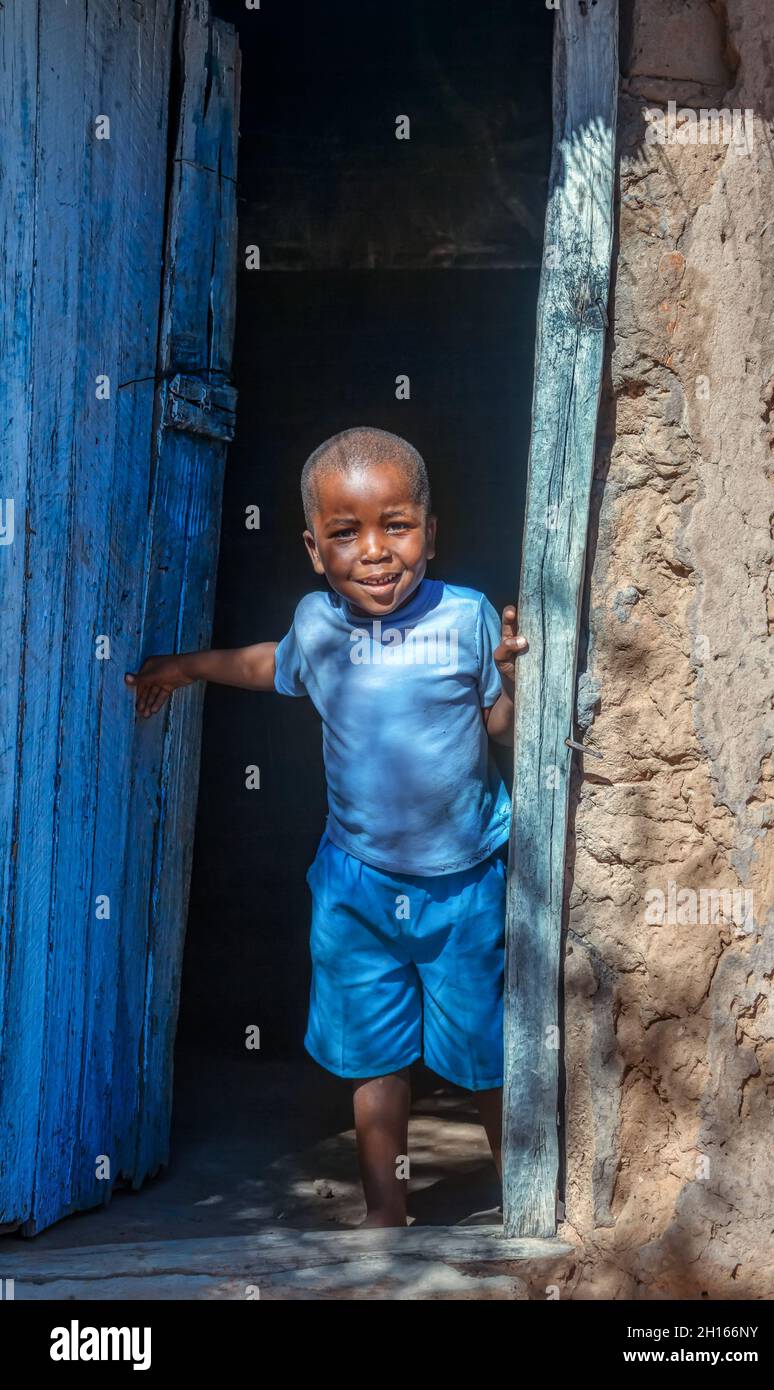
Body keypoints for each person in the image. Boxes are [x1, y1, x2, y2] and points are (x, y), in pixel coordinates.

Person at [125, 425, 528, 1227]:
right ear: (315, 550)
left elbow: (500, 727)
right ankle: (388, 1215)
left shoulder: (468, 617)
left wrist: (517, 674)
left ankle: (527, 1200)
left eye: (398, 527)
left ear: (431, 532)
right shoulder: (317, 627)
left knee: (485, 1056)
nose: (376, 553)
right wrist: (183, 666)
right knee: (373, 1058)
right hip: (356, 886)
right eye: (347, 534)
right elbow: (266, 664)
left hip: (465, 885)